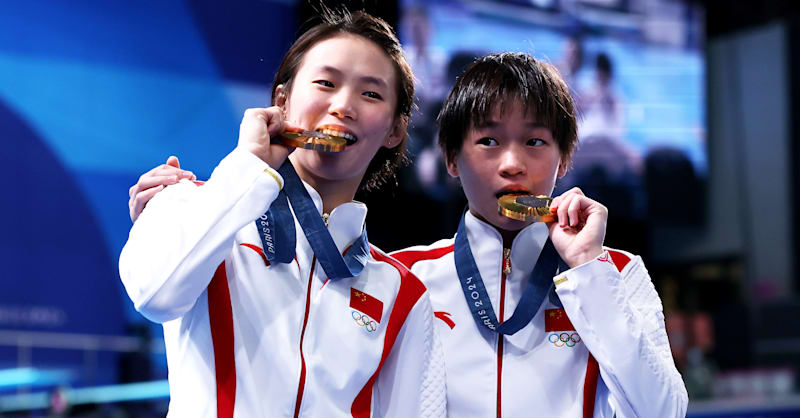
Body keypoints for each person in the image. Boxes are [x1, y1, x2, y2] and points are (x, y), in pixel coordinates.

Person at [130, 52, 688, 417]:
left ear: (565, 157)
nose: (513, 165)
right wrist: (189, 211)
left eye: (536, 143)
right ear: (450, 159)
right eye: (488, 142)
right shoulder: (407, 279)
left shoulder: (614, 274)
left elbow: (663, 411)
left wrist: (588, 271)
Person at [120, 9, 445, 418]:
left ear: (395, 130)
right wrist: (247, 166)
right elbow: (155, 296)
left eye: (371, 94)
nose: (343, 106)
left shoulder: (403, 295)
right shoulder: (188, 202)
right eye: (326, 83)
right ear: (282, 101)